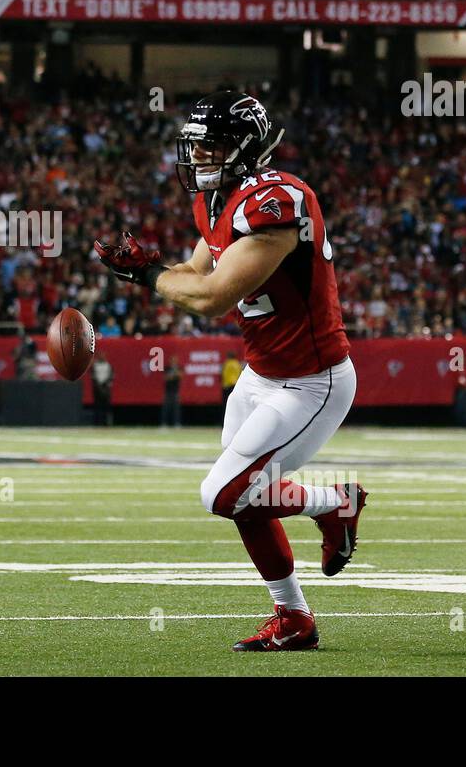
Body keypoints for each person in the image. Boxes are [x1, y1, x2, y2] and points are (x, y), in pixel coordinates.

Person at [95, 89, 360, 653]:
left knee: (225, 491)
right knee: (245, 499)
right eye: (196, 147)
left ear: (246, 148)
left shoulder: (278, 203)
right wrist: (151, 268)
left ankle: (335, 501)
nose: (200, 160)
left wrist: (148, 277)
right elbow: (195, 268)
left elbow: (214, 295)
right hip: (262, 372)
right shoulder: (220, 201)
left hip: (312, 379)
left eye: (212, 147)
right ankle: (294, 619)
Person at [91, 352, 114, 426]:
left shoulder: (108, 365)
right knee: (97, 407)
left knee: (106, 407)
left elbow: (111, 376)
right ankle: (97, 423)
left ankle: (106, 423)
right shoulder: (95, 365)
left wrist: (104, 385)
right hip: (97, 389)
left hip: (106, 388)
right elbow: (93, 376)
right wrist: (99, 386)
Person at [161, 356, 183, 428]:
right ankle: (164, 423)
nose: (173, 362)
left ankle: (176, 423)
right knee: (166, 408)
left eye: (175, 360)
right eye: (172, 360)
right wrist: (172, 374)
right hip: (168, 392)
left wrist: (175, 371)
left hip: (175, 391)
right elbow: (166, 378)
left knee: (176, 409)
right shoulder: (167, 368)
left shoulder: (179, 368)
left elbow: (180, 376)